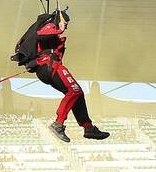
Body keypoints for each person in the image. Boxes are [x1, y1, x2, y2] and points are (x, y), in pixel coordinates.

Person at [31, 10, 109, 142]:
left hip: (47, 68)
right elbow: (40, 35)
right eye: (65, 23)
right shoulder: (49, 27)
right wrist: (58, 30)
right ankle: (58, 124)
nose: (66, 26)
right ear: (59, 20)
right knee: (75, 90)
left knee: (78, 93)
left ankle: (88, 127)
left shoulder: (52, 29)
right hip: (50, 66)